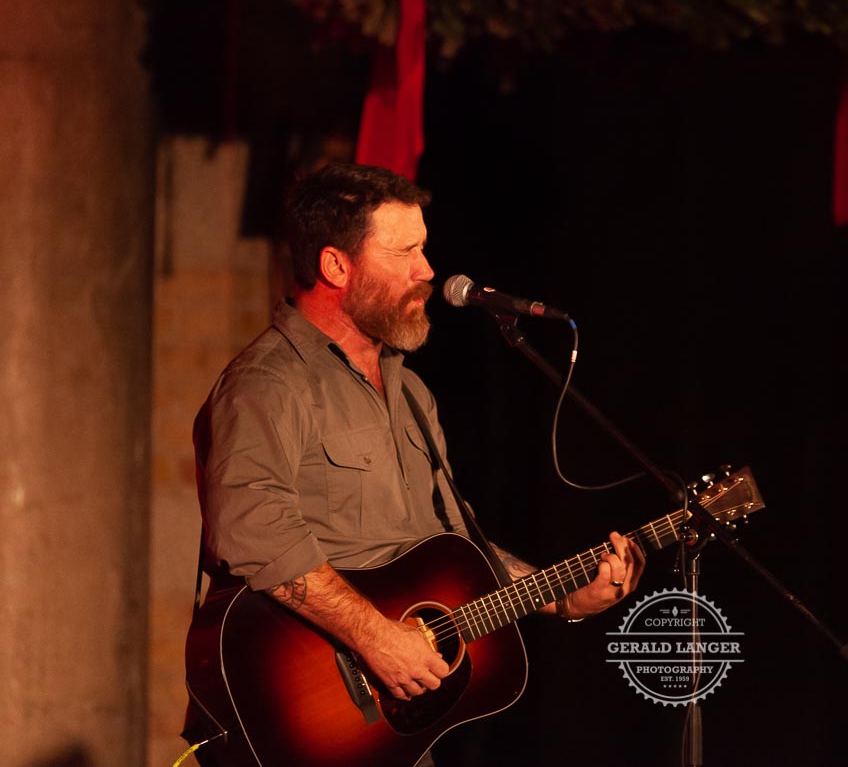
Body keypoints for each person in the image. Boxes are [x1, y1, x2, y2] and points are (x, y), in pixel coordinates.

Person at [190, 162, 644, 758]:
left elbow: (454, 544)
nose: (427, 271)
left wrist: (559, 597)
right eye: (404, 252)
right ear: (336, 266)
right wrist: (376, 638)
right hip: (306, 718)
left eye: (423, 249)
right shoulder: (267, 383)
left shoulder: (412, 394)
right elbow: (251, 532)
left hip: (392, 734)